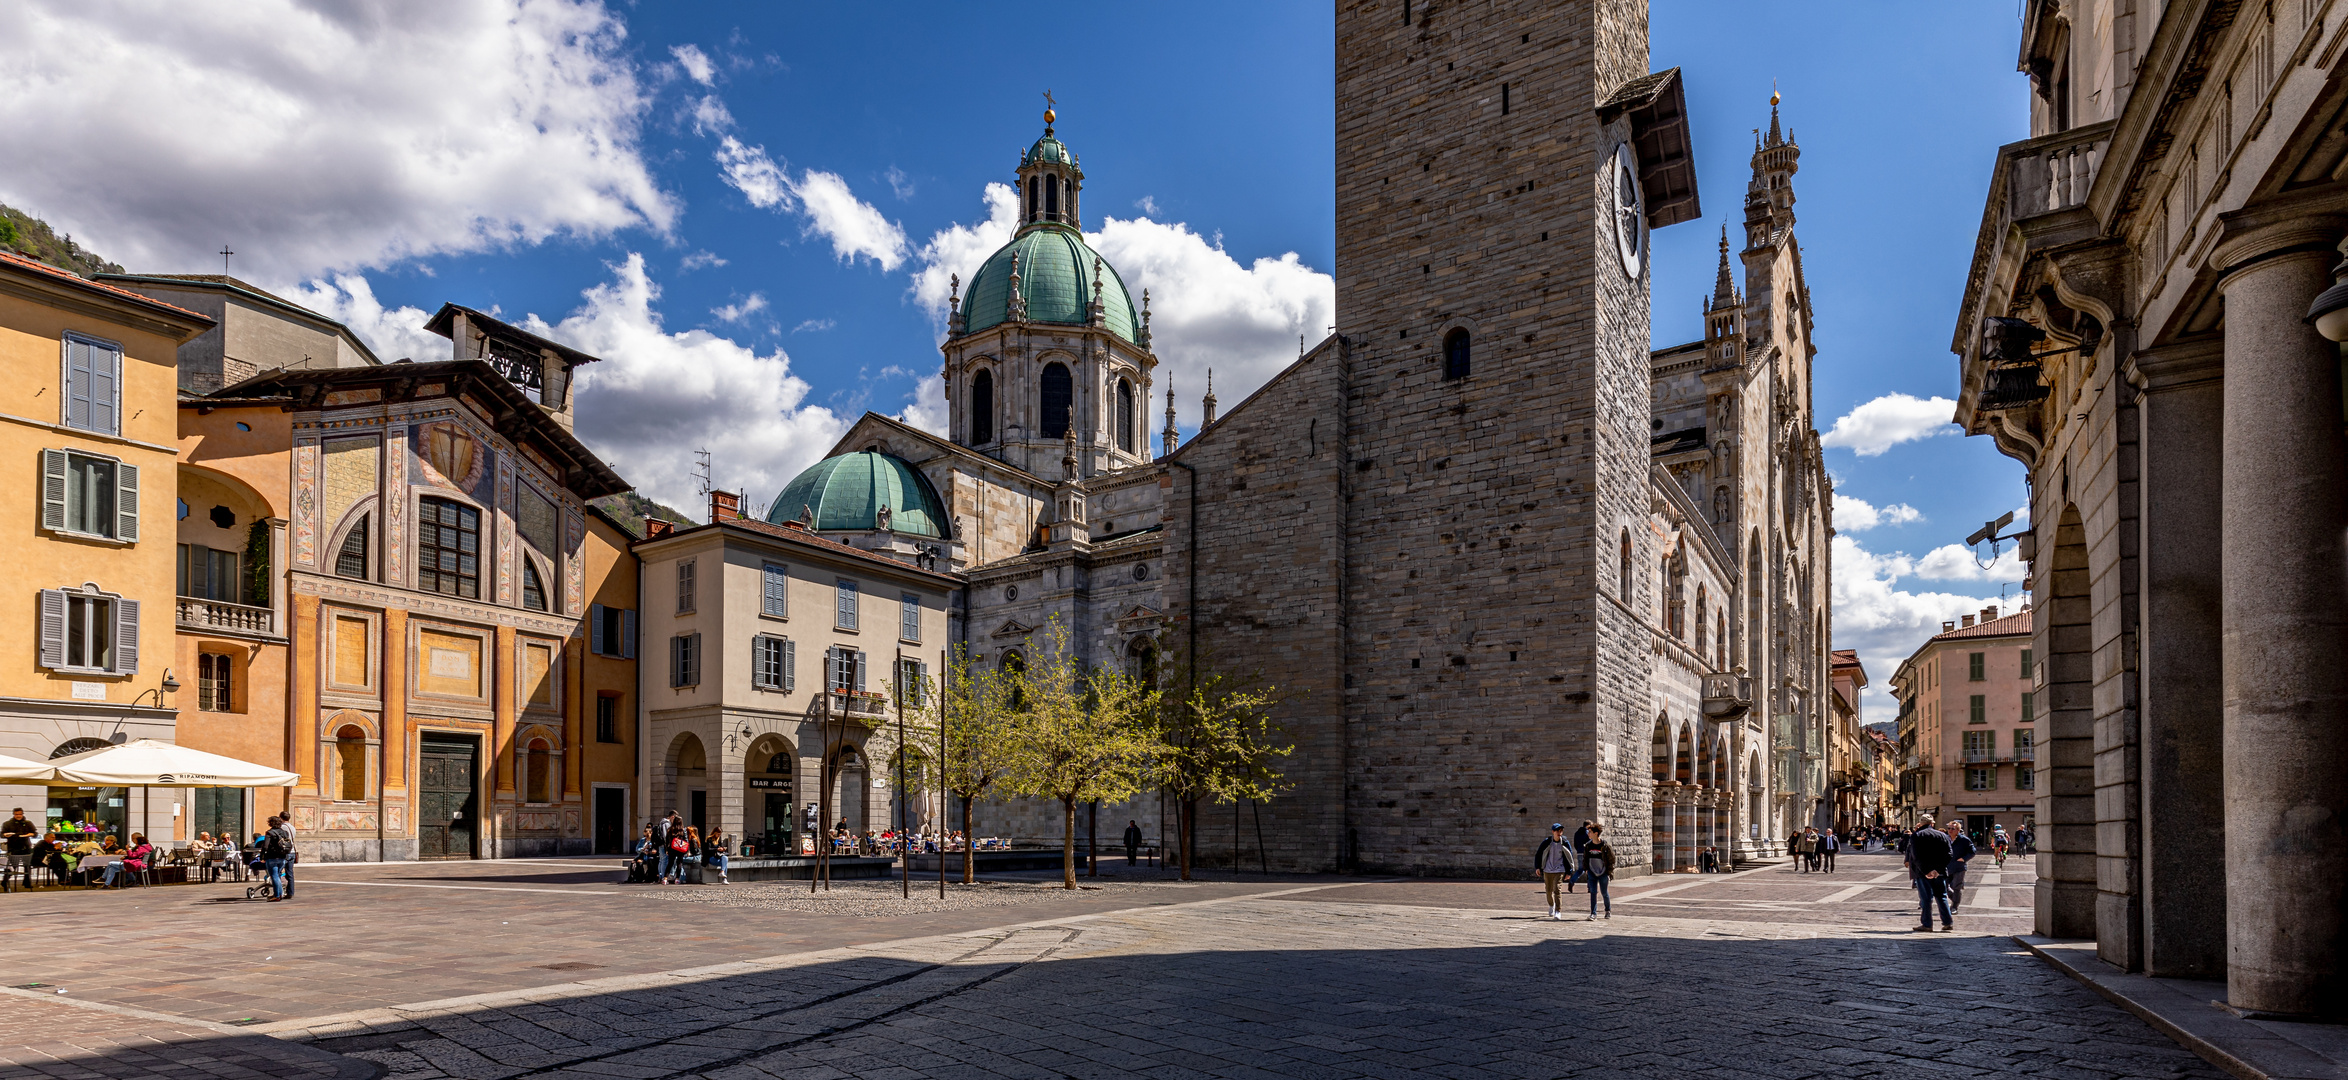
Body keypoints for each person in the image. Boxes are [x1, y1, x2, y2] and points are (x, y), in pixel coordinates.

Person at [1905, 816, 1954, 932]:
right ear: (1932, 823)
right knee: (1942, 897)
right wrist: (1938, 869)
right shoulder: (1942, 835)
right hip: (1939, 873)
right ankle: (1947, 922)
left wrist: (1926, 871)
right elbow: (1949, 854)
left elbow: (1916, 856)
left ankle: (1927, 924)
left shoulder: (1917, 835)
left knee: (1926, 899)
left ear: (1921, 823)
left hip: (1923, 873)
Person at [1533, 823, 1573, 920]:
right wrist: (1537, 867)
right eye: (1557, 831)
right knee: (1548, 890)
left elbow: (1569, 857)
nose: (1559, 833)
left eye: (1561, 831)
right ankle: (1551, 905)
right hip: (1547, 870)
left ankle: (1558, 911)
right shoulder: (1547, 842)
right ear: (1553, 832)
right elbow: (1539, 854)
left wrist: (1569, 871)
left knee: (1557, 890)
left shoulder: (1565, 842)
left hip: (1560, 870)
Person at [1581, 824, 1615, 920]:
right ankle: (1593, 913)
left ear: (1596, 833)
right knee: (1593, 892)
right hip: (1592, 872)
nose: (1588, 834)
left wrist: (1609, 872)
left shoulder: (1605, 846)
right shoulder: (1588, 845)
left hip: (1603, 872)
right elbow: (1585, 858)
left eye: (1590, 832)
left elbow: (1612, 859)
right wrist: (1586, 869)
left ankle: (1607, 910)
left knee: (1604, 892)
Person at [260, 816, 295, 901]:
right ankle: (280, 894)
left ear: (270, 823)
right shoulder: (284, 832)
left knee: (274, 876)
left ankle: (277, 895)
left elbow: (265, 846)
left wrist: (262, 856)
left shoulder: (269, 833)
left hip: (272, 857)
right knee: (278, 875)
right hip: (283, 857)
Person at [1945, 823, 1977, 912]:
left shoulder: (1964, 840)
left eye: (1953, 829)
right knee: (1943, 885)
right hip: (1946, 866)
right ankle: (1955, 898)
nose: (1950, 830)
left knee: (1956, 886)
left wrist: (1964, 859)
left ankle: (1954, 907)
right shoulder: (1945, 839)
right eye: (1949, 828)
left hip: (1959, 867)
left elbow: (1972, 852)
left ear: (1958, 831)